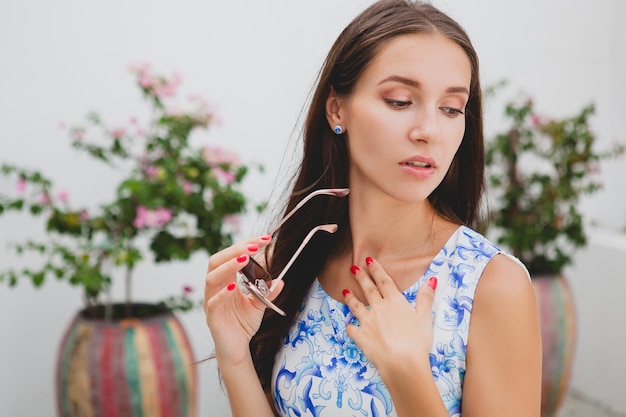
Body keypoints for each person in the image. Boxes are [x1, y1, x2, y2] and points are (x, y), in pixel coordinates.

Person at [203, 0, 542, 416]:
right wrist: (234, 356)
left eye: (452, 109)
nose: (429, 131)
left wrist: (409, 375)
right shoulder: (290, 264)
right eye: (400, 101)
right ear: (337, 109)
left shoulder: (491, 287)